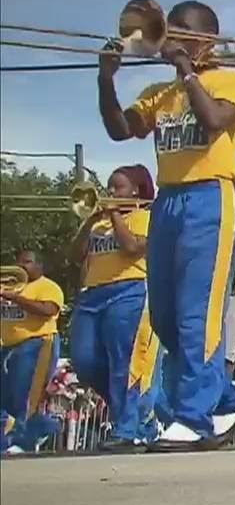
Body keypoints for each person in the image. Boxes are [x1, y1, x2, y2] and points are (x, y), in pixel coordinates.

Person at [98, 0, 235, 451]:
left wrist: (187, 70)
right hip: (167, 199)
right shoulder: (159, 94)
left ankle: (193, 416)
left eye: (182, 30)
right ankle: (223, 397)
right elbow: (120, 129)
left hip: (211, 196)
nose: (170, 36)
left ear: (207, 38)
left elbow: (213, 120)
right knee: (164, 315)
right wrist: (107, 80)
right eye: (171, 29)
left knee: (195, 313)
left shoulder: (232, 80)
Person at [65, 165, 162, 452]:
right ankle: (135, 414)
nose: (110, 193)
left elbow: (132, 247)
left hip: (130, 291)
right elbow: (74, 255)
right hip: (92, 294)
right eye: (108, 187)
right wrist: (91, 220)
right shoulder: (98, 223)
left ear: (135, 190)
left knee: (125, 363)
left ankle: (130, 428)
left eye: (117, 188)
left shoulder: (146, 217)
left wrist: (116, 214)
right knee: (84, 360)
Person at [0, 250, 64, 455]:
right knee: (7, 398)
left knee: (25, 395)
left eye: (27, 262)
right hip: (8, 347)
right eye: (18, 262)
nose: (21, 266)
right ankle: (44, 426)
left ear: (39, 266)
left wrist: (16, 298)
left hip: (38, 344)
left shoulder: (48, 287)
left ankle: (24, 441)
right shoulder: (8, 287)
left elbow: (48, 310)